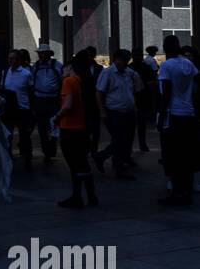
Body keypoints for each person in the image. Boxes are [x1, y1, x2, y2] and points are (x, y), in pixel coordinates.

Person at [158, 34, 198, 207]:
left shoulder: (166, 66)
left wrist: (160, 117)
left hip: (173, 114)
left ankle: (176, 193)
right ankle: (187, 193)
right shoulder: (188, 64)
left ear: (165, 48)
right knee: (187, 155)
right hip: (188, 114)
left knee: (173, 155)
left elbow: (165, 93)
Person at [53, 51, 98, 208]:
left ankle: (77, 196)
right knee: (83, 163)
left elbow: (68, 105)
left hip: (69, 127)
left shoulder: (69, 81)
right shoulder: (85, 80)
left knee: (73, 164)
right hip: (83, 126)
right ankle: (91, 196)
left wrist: (57, 117)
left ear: (70, 67)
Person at [94, 49, 142, 179]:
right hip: (114, 112)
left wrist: (135, 106)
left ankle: (102, 157)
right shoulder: (108, 73)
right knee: (119, 140)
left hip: (129, 111)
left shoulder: (130, 73)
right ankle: (118, 167)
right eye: (121, 61)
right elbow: (99, 93)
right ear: (115, 60)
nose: (123, 64)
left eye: (126, 61)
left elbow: (136, 91)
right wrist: (102, 112)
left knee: (125, 140)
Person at [0, 48, 35, 169]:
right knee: (7, 134)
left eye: (14, 58)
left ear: (19, 60)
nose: (12, 61)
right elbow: (2, 88)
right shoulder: (5, 72)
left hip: (22, 108)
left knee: (24, 136)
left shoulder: (26, 74)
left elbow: (31, 92)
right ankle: (8, 157)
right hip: (9, 108)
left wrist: (31, 109)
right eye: (10, 58)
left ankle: (27, 159)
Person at [128, 48, 155, 153]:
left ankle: (141, 143)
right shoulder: (131, 68)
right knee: (134, 124)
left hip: (142, 98)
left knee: (140, 123)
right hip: (134, 98)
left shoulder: (142, 68)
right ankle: (140, 144)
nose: (137, 57)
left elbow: (151, 83)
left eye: (138, 55)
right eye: (135, 55)